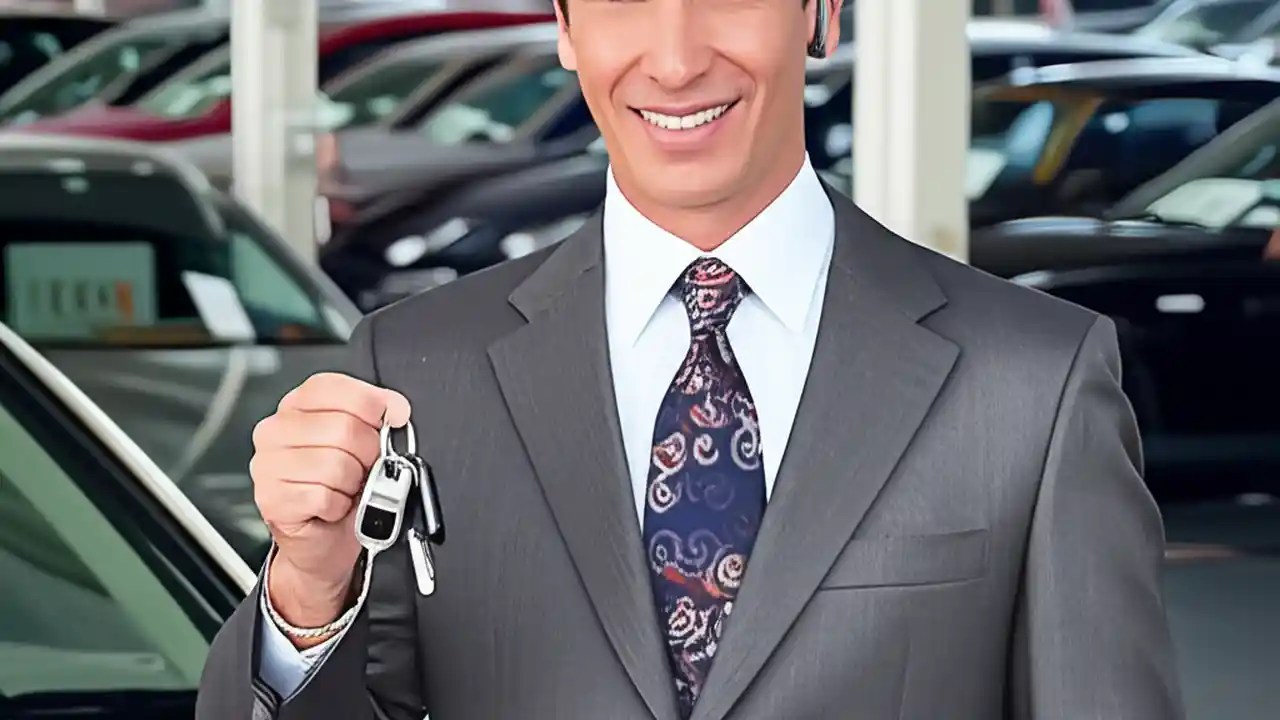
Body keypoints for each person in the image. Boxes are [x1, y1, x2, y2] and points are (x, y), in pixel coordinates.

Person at [196, 0, 1186, 717]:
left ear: (820, 14)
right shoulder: (419, 366)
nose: (673, 60)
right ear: (566, 27)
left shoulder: (1031, 380)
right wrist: (308, 591)